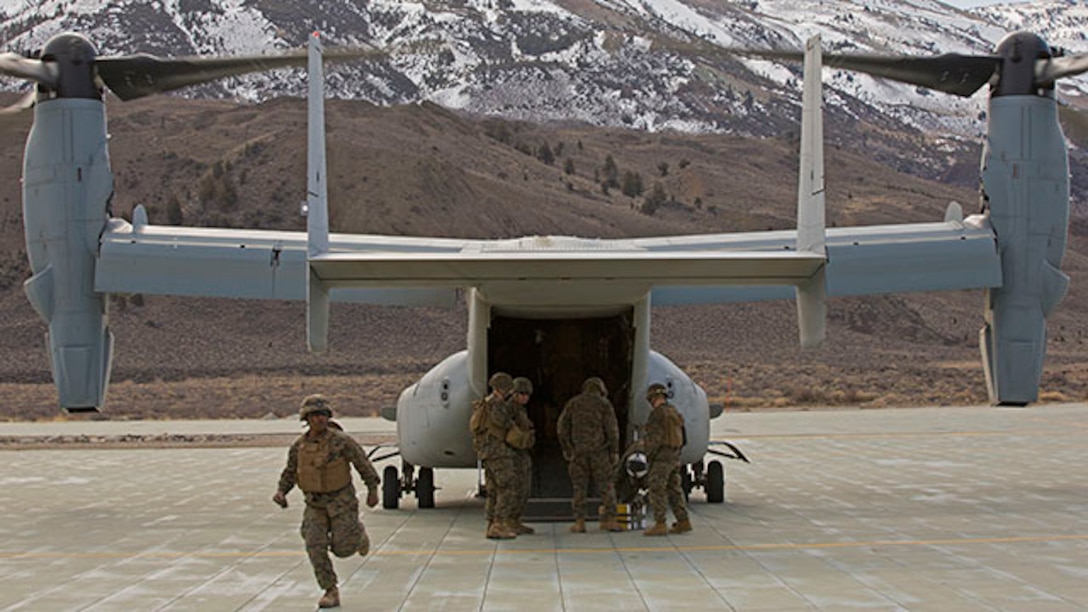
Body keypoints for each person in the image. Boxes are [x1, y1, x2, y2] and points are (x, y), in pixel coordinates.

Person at [272, 394, 380, 609]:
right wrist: (282, 492)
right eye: (314, 415)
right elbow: (291, 471)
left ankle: (358, 536)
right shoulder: (299, 446)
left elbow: (362, 463)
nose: (319, 419)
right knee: (314, 545)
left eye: (323, 414)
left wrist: (372, 489)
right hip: (315, 504)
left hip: (342, 502)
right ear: (306, 418)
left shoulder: (342, 441)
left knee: (343, 549)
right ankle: (330, 590)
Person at [556, 376, 623, 533]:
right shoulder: (604, 404)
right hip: (599, 453)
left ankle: (580, 522)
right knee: (606, 486)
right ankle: (611, 519)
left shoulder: (573, 403)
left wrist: (568, 448)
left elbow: (561, 428)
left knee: (579, 488)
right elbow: (612, 430)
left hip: (578, 453)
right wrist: (614, 451)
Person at [470, 372, 531, 539]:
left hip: (489, 452)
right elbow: (503, 423)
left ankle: (494, 524)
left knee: (493, 489)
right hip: (497, 452)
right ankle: (499, 523)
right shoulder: (496, 405)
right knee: (507, 487)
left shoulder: (486, 403)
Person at [642, 383, 691, 536]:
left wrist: (648, 455)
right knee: (674, 489)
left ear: (652, 398)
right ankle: (683, 521)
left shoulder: (657, 414)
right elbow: (684, 437)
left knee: (656, 488)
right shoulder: (674, 411)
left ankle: (660, 523)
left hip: (662, 457)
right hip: (674, 456)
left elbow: (654, 439)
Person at [509, 376, 537, 534]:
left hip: (522, 452)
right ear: (514, 393)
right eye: (522, 394)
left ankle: (515, 520)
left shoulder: (521, 409)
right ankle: (508, 521)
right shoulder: (509, 409)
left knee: (524, 489)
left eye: (527, 394)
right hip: (513, 454)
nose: (525, 397)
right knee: (514, 489)